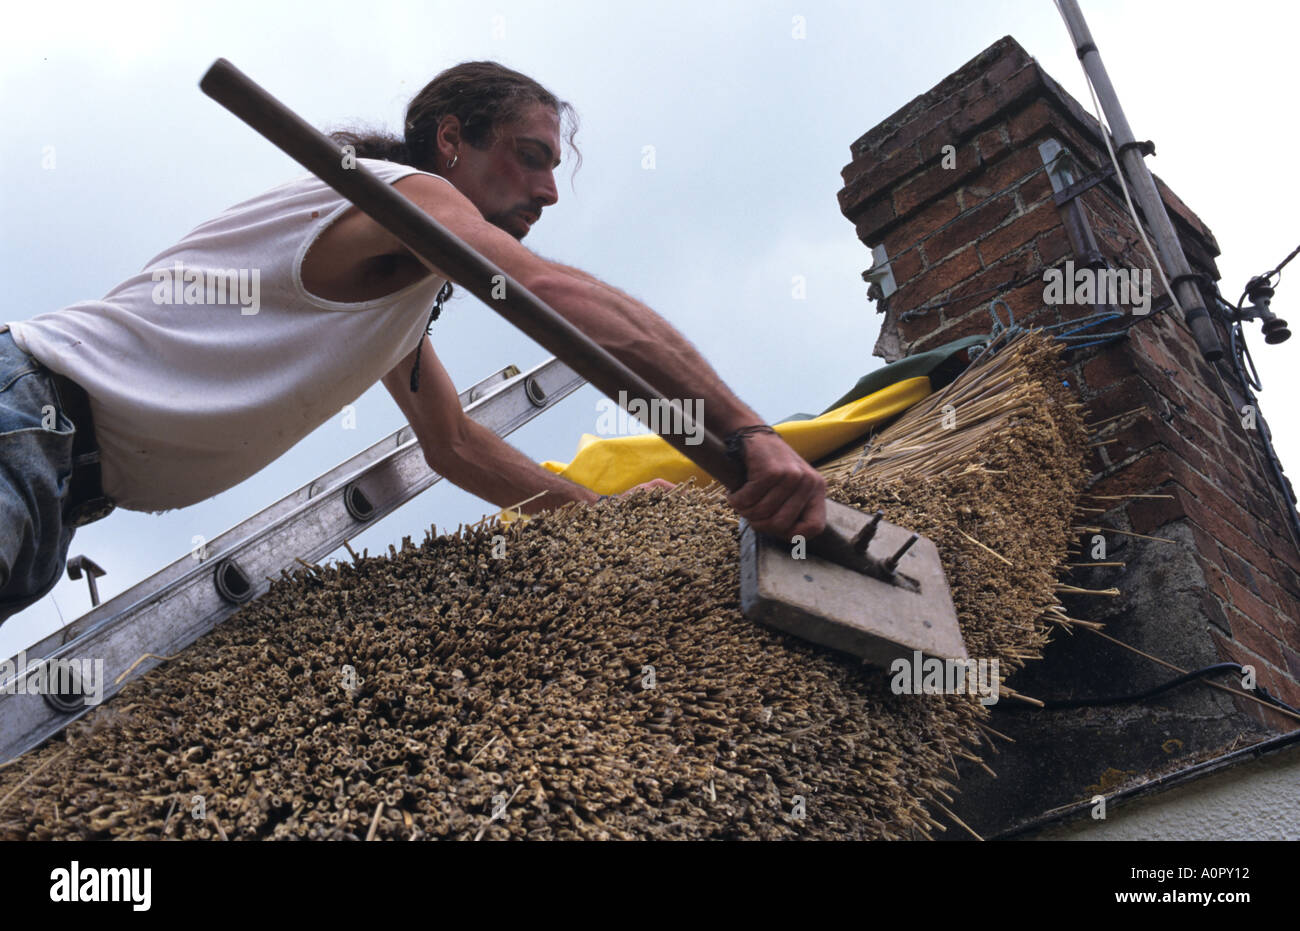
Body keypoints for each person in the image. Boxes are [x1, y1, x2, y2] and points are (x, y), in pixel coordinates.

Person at [0, 60, 825, 624]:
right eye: (530, 157)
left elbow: (456, 445)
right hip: (25, 419)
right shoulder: (399, 196)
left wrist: (601, 519)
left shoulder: (392, 289)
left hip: (59, 490)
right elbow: (552, 294)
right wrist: (748, 432)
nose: (546, 191)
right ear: (451, 140)